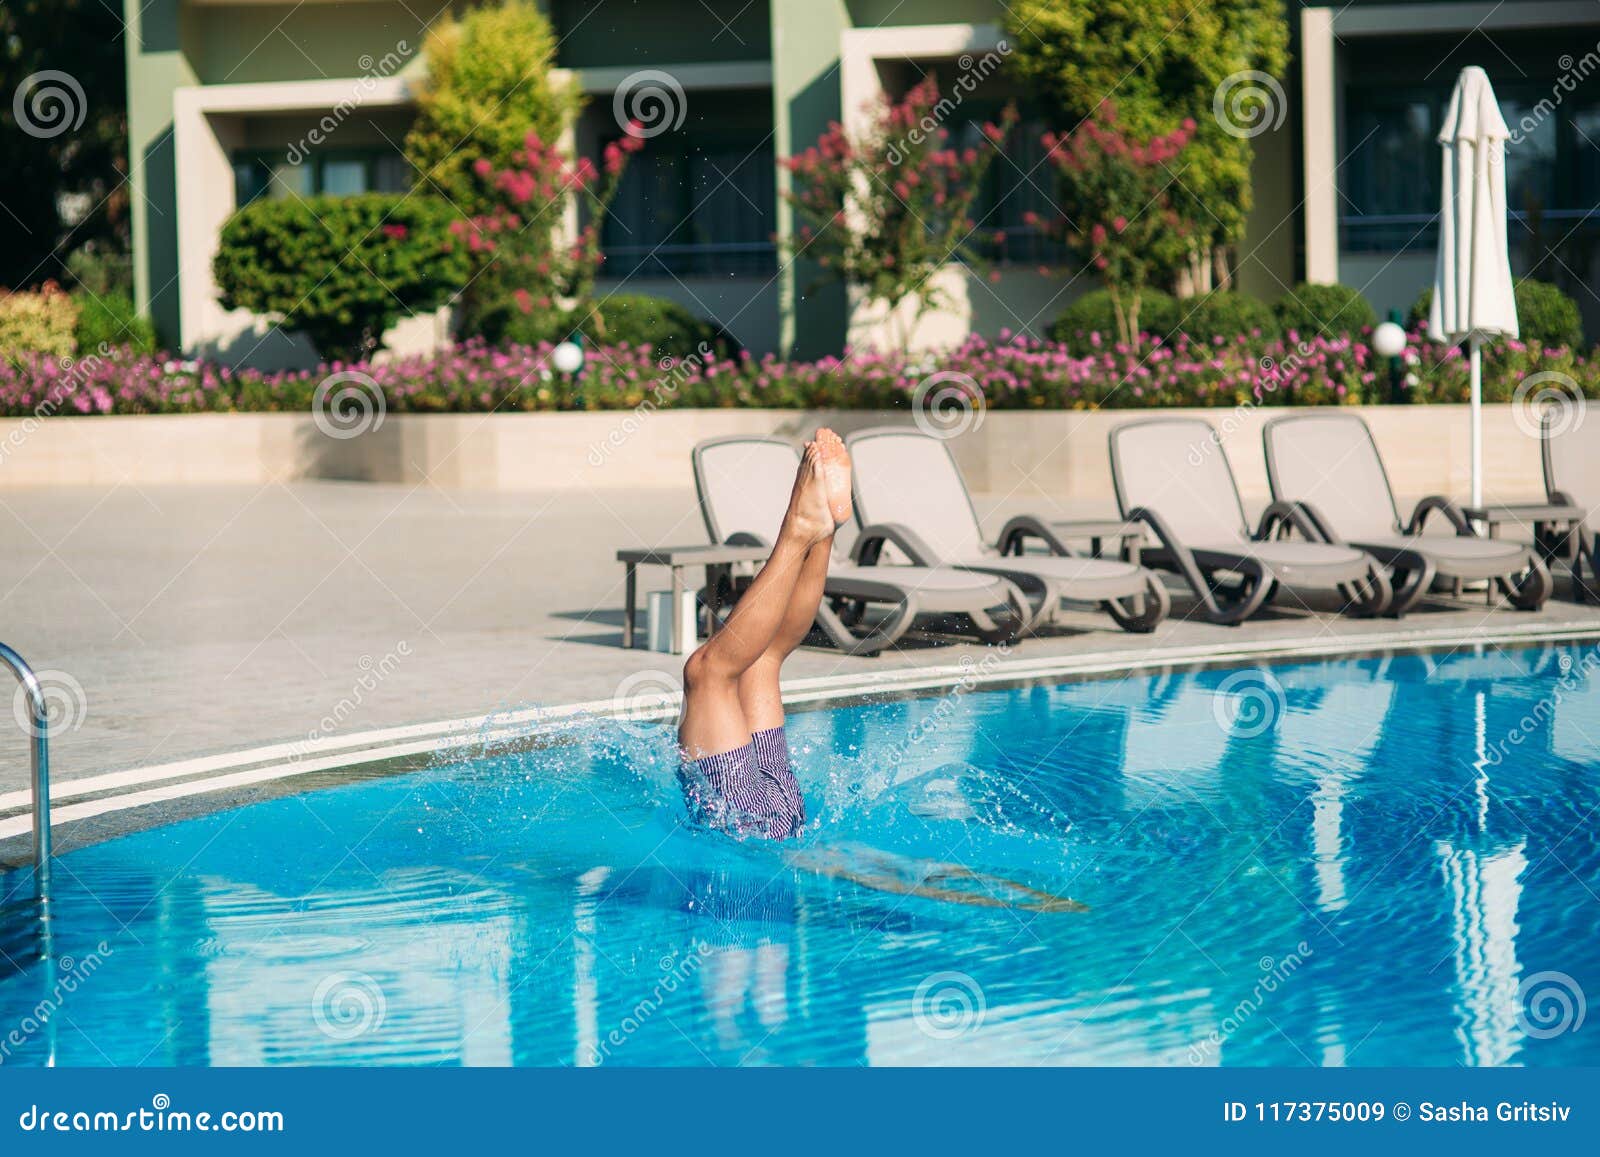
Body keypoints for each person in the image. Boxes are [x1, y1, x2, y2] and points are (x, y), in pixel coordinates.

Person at [675, 428, 851, 840]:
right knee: (709, 674)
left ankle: (821, 533)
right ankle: (809, 529)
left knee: (763, 658)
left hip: (787, 813)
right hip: (750, 822)